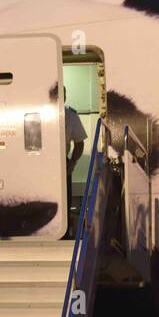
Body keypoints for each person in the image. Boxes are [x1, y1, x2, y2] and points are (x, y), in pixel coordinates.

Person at [64, 98, 88, 237]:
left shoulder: (70, 115)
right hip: (41, 162)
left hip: (61, 163)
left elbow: (79, 143)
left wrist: (72, 162)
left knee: (64, 202)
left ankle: (64, 233)